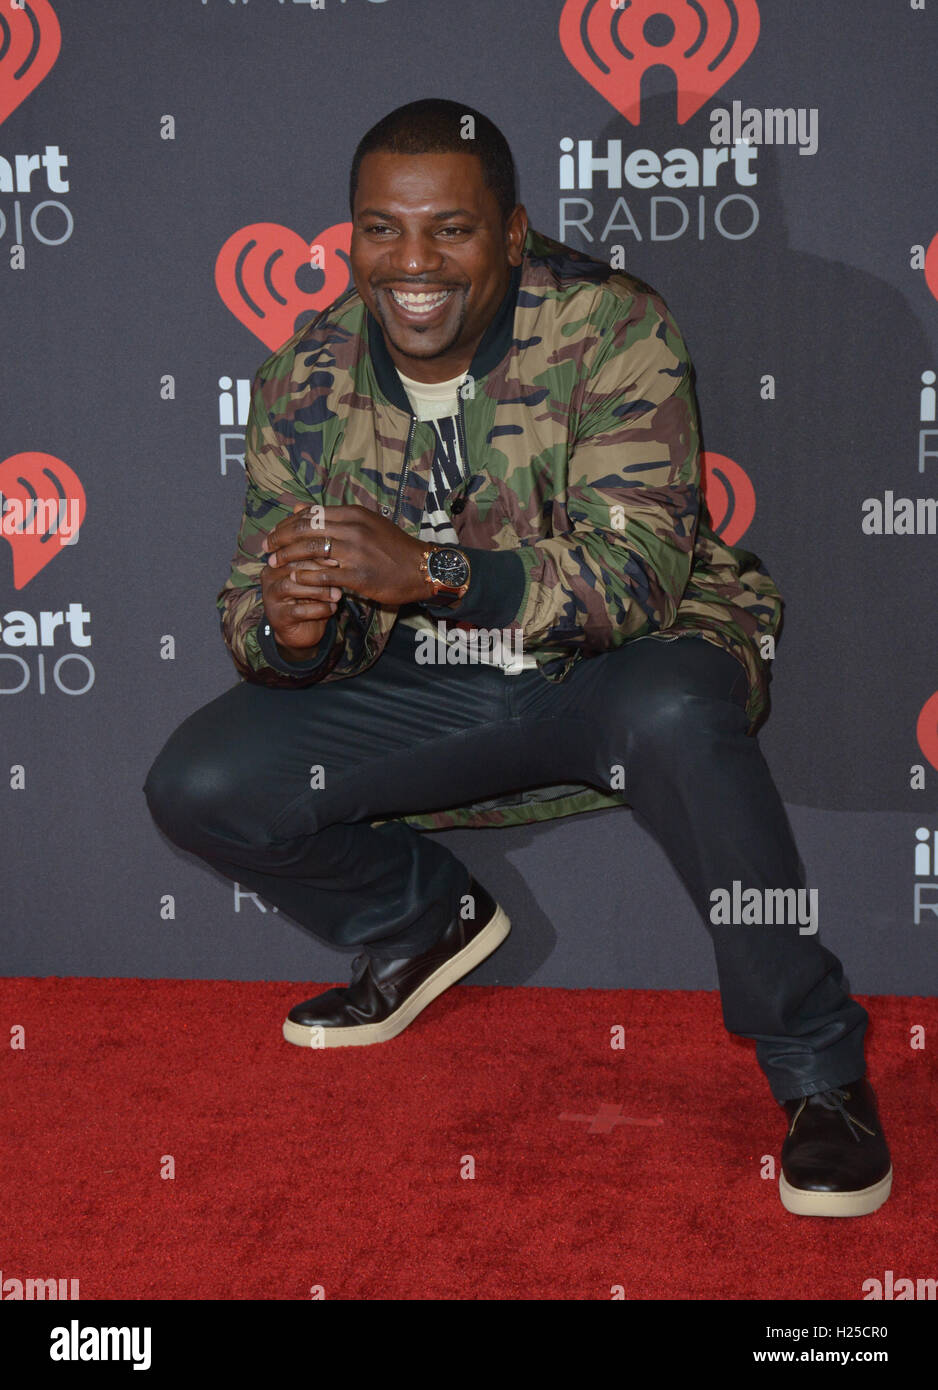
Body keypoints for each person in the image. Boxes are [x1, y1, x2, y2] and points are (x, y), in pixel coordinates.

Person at [144, 99, 891, 1218]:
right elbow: (256, 597)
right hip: (435, 675)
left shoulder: (609, 324)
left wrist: (437, 574)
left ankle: (817, 1070)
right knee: (199, 782)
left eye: (449, 229)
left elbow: (636, 575)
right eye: (380, 230)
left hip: (623, 663)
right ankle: (415, 921)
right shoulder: (306, 373)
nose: (411, 263)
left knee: (677, 711)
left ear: (509, 231)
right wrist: (295, 634)